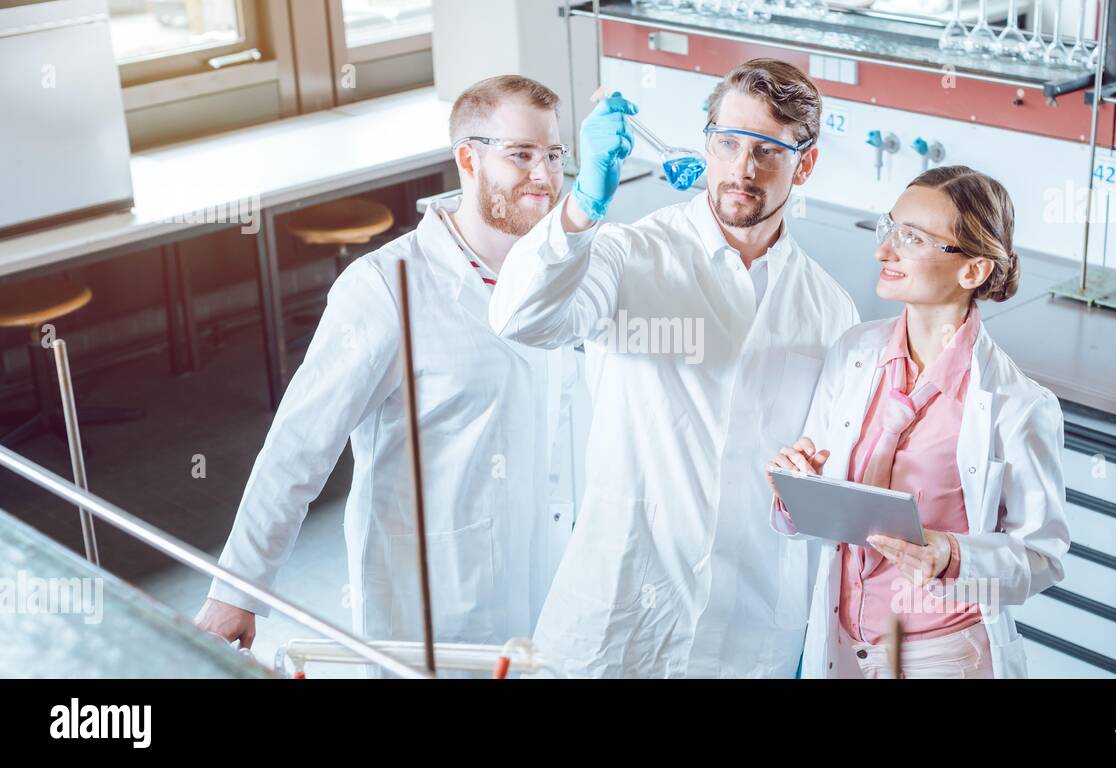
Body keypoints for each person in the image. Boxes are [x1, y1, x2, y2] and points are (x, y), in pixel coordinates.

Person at [489, 58, 859, 677]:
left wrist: (814, 482)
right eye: (729, 143)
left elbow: (830, 473)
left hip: (750, 620)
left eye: (769, 150)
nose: (743, 168)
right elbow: (523, 317)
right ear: (705, 145)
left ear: (807, 164)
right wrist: (580, 209)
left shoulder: (830, 309)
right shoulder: (630, 252)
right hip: (623, 605)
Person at [194, 75, 579, 653]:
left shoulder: (567, 272)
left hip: (556, 583)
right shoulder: (385, 288)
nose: (544, 177)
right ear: (468, 160)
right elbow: (299, 445)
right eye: (521, 155)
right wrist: (237, 590)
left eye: (554, 155)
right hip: (436, 599)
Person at [767, 165, 1069, 679]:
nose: (884, 252)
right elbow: (819, 512)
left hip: (944, 658)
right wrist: (797, 488)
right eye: (889, 229)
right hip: (842, 645)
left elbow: (1041, 558)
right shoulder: (853, 353)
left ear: (972, 271)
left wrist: (951, 554)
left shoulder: (1018, 404)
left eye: (912, 238)